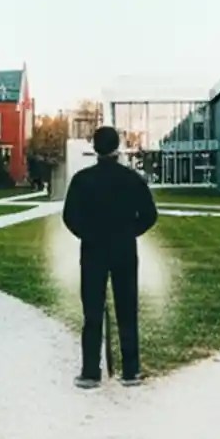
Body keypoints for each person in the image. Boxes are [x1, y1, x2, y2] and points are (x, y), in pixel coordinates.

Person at [61, 126, 158, 389]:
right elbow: (150, 215)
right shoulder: (132, 178)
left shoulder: (82, 180)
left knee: (92, 311)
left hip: (93, 251)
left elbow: (70, 217)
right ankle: (131, 371)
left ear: (95, 148)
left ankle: (91, 372)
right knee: (127, 310)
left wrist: (88, 235)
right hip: (124, 250)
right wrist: (129, 233)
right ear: (118, 147)